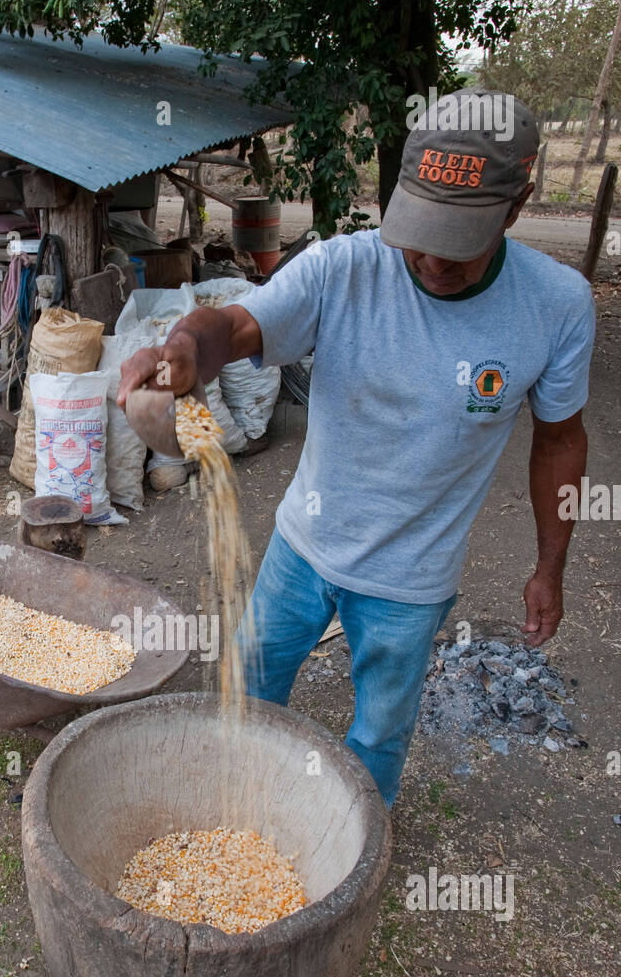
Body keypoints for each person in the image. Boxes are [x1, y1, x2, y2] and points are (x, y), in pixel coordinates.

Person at [117, 89, 596, 807]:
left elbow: (560, 441)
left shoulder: (556, 305)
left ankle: (350, 857)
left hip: (413, 578)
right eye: (419, 231)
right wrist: (183, 348)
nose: (433, 259)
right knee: (247, 691)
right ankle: (232, 811)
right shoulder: (344, 268)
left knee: (376, 736)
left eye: (458, 239)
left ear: (517, 206)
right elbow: (240, 327)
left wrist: (549, 567)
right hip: (303, 547)